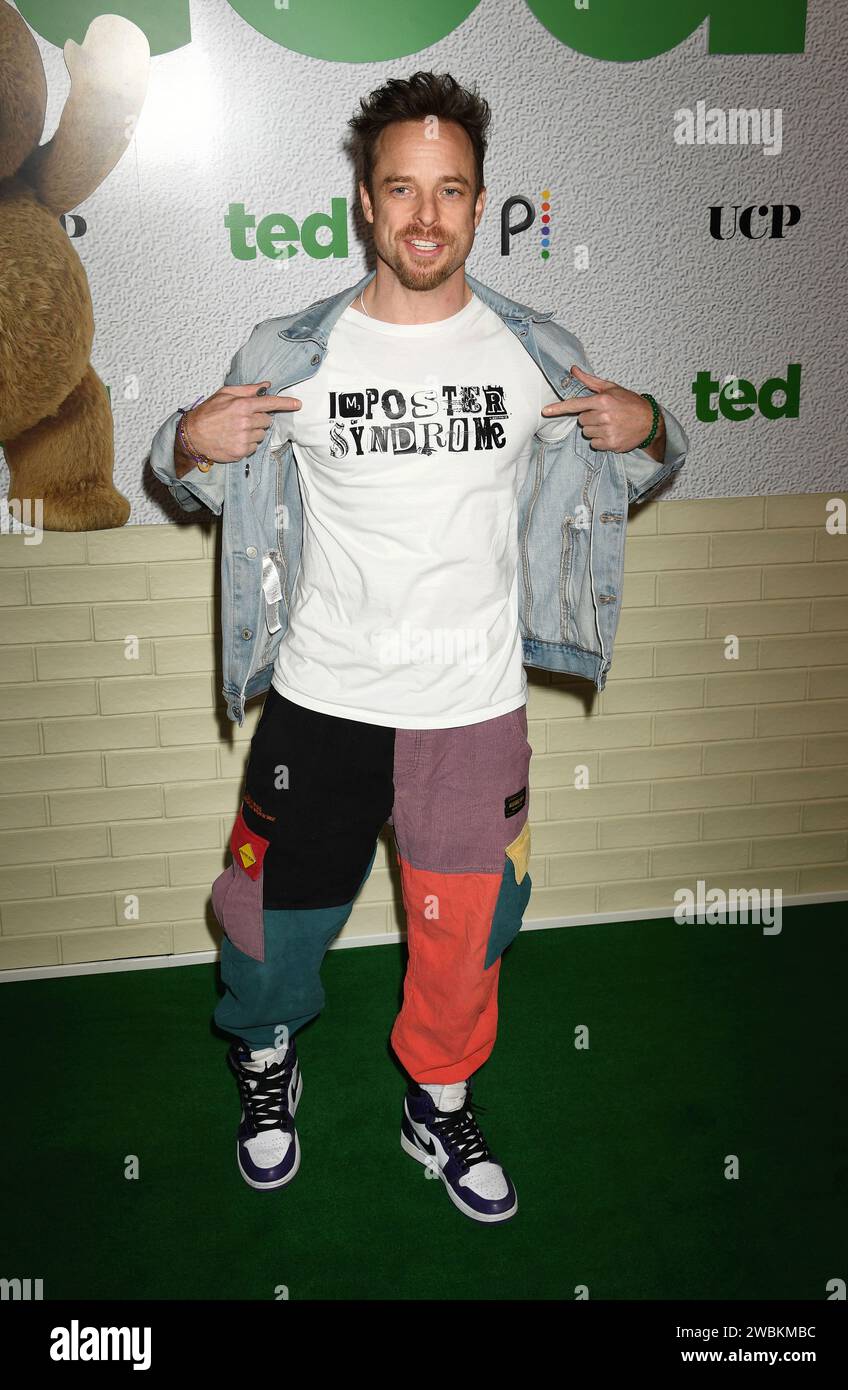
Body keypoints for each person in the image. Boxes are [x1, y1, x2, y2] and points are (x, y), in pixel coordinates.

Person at [150, 71, 687, 1223]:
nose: (425, 216)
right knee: (264, 925)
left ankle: (434, 1101)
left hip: (473, 710)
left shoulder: (534, 353)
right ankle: (265, 1062)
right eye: (402, 189)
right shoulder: (293, 350)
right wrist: (187, 439)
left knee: (465, 936)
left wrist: (652, 426)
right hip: (319, 704)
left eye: (450, 191)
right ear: (363, 200)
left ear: (482, 202)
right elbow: (193, 486)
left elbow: (643, 450)